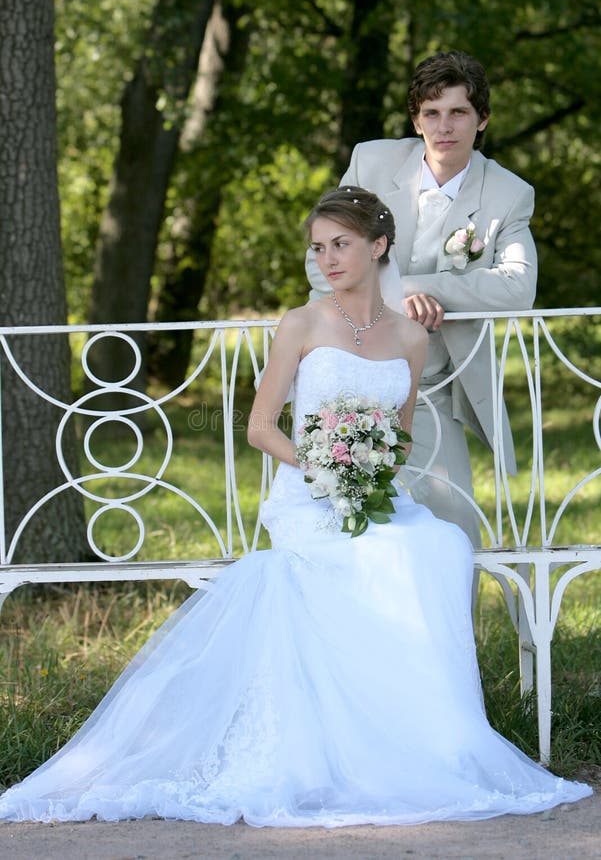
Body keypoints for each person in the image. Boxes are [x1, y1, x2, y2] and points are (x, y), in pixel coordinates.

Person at [0, 188, 590, 827]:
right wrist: (325, 466)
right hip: (306, 496)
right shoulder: (302, 323)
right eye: (318, 247)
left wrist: (368, 472)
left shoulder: (411, 338)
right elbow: (259, 426)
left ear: (378, 246)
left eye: (341, 244)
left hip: (371, 498)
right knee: (392, 553)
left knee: (440, 545)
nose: (328, 259)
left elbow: (401, 436)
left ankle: (431, 738)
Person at [306, 51, 538, 549]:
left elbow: (518, 285)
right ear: (416, 120)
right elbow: (319, 262)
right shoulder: (371, 163)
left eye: (458, 113)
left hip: (435, 385)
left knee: (453, 529)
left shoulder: (508, 193)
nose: (444, 126)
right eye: (431, 113)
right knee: (340, 525)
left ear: (482, 121)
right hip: (351, 370)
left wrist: (430, 288)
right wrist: (397, 292)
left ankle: (450, 628)